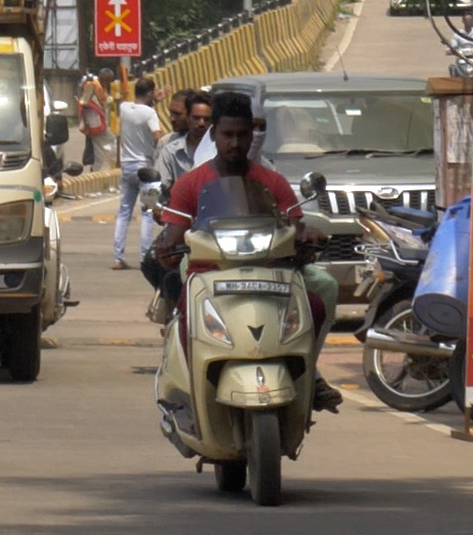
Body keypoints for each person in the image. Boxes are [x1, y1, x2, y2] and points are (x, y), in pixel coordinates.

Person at [143, 89, 341, 407]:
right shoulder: (190, 184)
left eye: (242, 135)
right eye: (227, 135)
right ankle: (186, 383)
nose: (235, 143)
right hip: (210, 271)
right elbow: (176, 234)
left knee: (321, 296)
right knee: (185, 312)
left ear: (252, 135)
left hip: (269, 272)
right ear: (214, 134)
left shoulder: (272, 182)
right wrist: (166, 246)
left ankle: (309, 373)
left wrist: (308, 235)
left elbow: (295, 225)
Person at [111, 78, 167, 269]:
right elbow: (156, 135)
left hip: (127, 166)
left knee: (124, 212)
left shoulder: (125, 108)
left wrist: (155, 100)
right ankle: (144, 257)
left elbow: (139, 111)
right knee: (149, 212)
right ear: (150, 93)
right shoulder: (150, 113)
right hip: (146, 168)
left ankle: (118, 258)